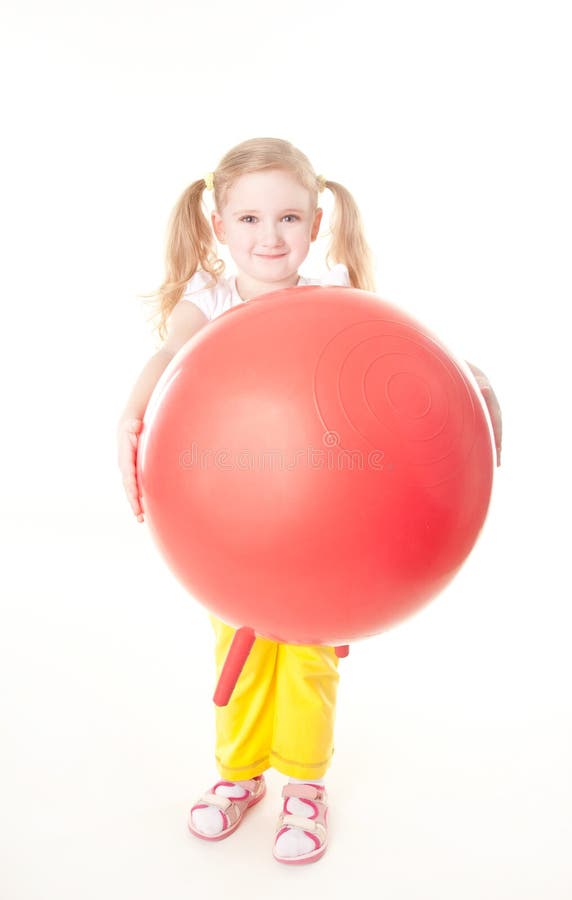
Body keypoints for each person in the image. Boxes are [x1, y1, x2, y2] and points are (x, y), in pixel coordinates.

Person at [117, 137, 502, 866]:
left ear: (317, 223)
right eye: (250, 219)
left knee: (308, 660)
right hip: (233, 531)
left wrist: (469, 385)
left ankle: (304, 785)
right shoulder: (209, 303)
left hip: (327, 541)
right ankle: (238, 777)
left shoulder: (335, 304)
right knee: (239, 652)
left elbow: (396, 368)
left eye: (289, 218)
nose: (270, 236)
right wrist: (131, 419)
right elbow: (168, 358)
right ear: (219, 225)